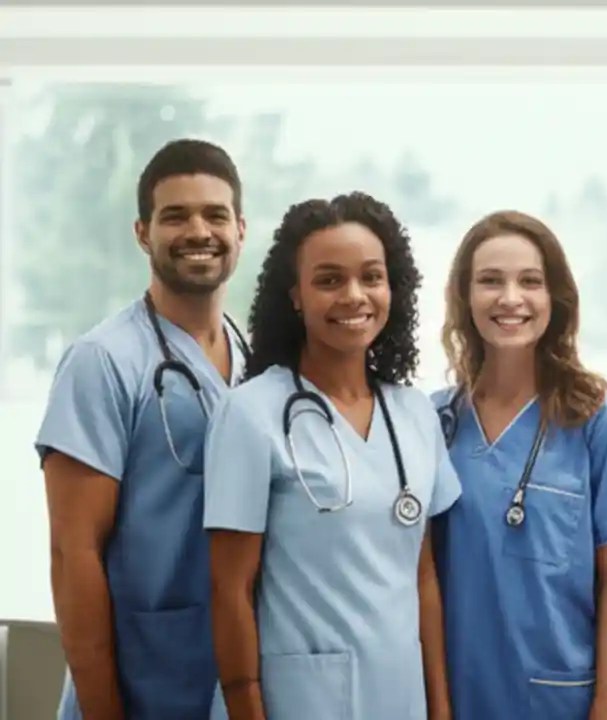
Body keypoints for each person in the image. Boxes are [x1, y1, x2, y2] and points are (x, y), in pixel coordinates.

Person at [201, 192, 459, 720]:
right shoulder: (251, 414)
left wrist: (440, 708)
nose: (354, 295)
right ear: (294, 294)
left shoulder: (414, 414)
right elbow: (230, 589)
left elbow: (424, 578)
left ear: (394, 287)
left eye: (371, 276)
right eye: (328, 279)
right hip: (296, 700)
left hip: (400, 697)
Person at [35, 138, 246, 720]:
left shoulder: (257, 361)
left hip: (227, 682)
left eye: (215, 214)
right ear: (142, 232)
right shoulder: (103, 361)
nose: (198, 231)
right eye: (174, 215)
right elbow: (71, 553)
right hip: (133, 685)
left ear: (241, 230)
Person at [432, 210, 607, 719]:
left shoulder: (599, 423)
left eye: (529, 282)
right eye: (490, 281)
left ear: (553, 299)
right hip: (458, 693)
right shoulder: (435, 424)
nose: (510, 298)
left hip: (566, 695)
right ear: (464, 297)